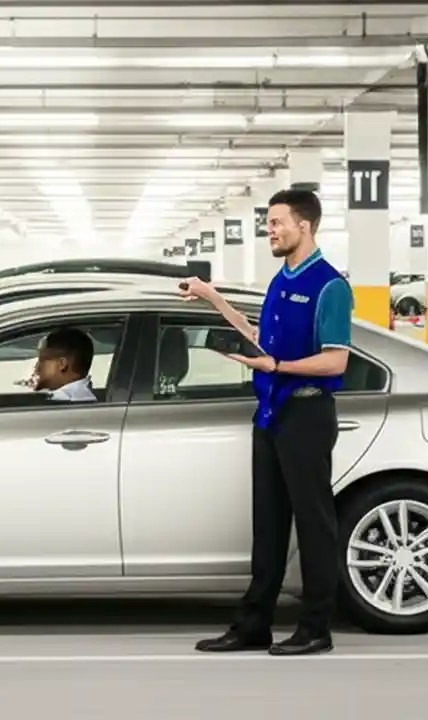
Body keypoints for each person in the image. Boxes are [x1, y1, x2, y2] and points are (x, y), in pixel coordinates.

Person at [180, 187, 353, 657]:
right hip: (272, 413)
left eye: (277, 222)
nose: (270, 230)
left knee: (314, 525)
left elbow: (336, 362)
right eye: (269, 223)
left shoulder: (330, 286)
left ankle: (316, 627)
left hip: (307, 411)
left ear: (305, 225)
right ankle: (253, 624)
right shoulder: (281, 279)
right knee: (269, 525)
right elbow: (261, 338)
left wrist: (278, 368)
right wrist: (213, 298)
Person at [32, 327, 98, 403]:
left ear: (62, 364)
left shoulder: (63, 400)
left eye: (42, 360)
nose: (37, 367)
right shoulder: (83, 395)